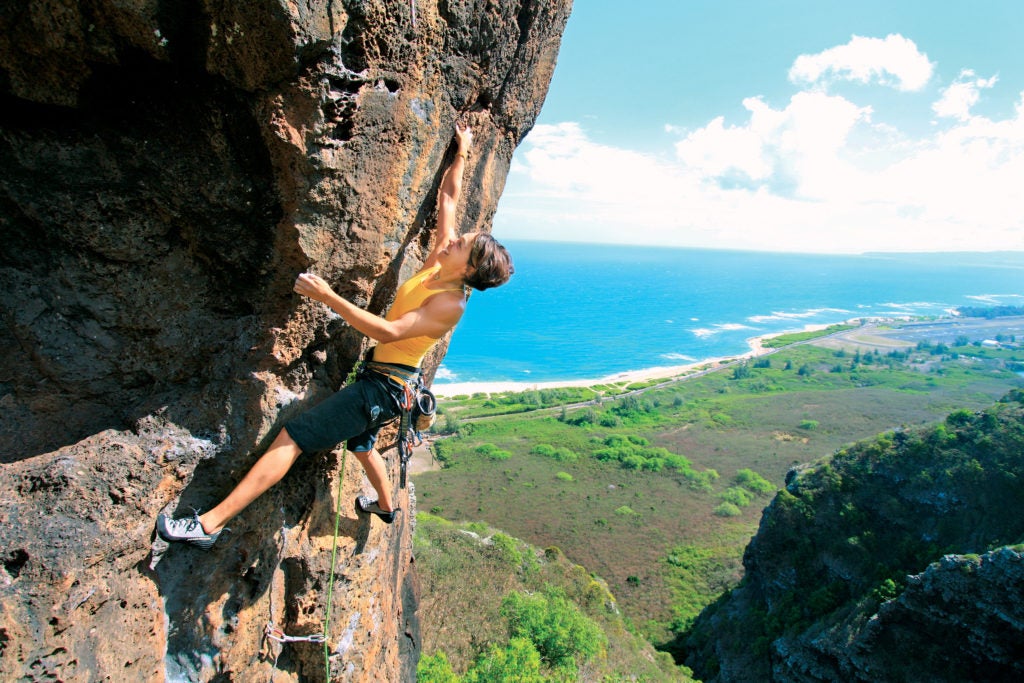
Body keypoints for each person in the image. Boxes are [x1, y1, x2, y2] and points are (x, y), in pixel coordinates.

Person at [157, 124, 513, 549]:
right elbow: (449, 199)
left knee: (296, 437)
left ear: (470, 269)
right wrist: (463, 153)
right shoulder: (441, 261)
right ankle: (385, 505)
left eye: (463, 244)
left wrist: (328, 296)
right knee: (361, 444)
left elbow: (388, 330)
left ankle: (208, 526)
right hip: (386, 381)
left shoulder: (450, 304)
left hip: (382, 388)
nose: (453, 239)